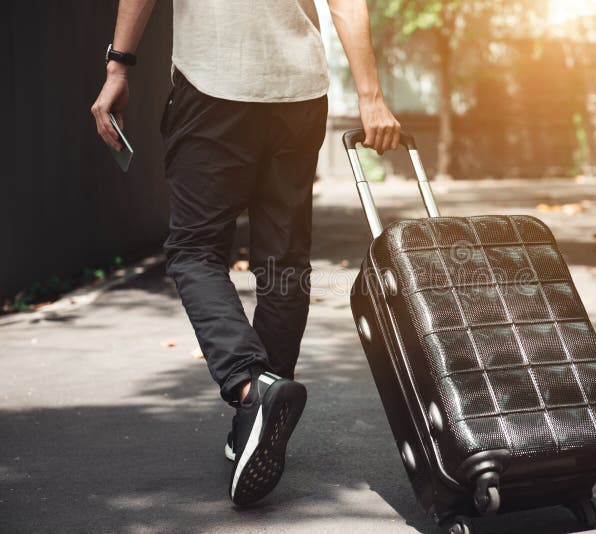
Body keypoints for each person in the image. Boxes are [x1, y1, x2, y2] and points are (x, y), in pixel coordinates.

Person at [90, 0, 401, 506]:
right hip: (299, 88)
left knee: (194, 251)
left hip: (216, 80)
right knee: (283, 263)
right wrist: (371, 95)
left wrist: (117, 65)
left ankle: (250, 388)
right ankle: (254, 419)